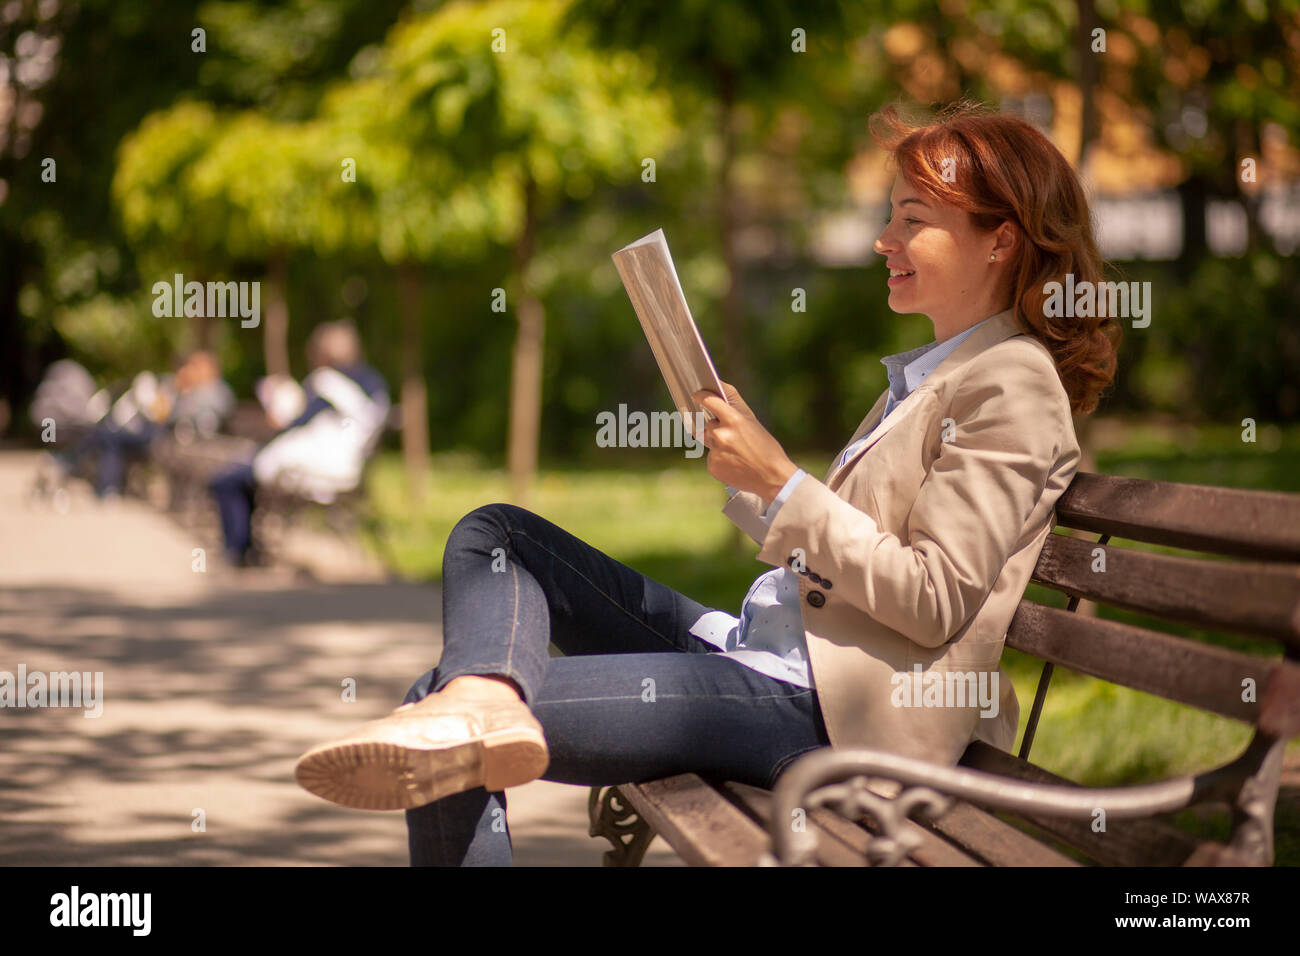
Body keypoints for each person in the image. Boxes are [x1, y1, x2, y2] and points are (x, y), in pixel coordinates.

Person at [294, 102, 1121, 866]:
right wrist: (762, 483)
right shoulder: (936, 375)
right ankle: (486, 695)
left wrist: (784, 483)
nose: (883, 240)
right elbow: (851, 544)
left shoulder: (1011, 383)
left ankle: (477, 703)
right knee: (495, 535)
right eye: (887, 217)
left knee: (438, 717)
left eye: (912, 220)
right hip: (766, 659)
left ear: (1002, 240)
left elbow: (935, 595)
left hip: (830, 717)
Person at [208, 321, 389, 567]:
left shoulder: (326, 382)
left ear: (323, 354)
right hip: (351, 470)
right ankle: (245, 548)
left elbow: (296, 425)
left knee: (229, 480)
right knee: (244, 474)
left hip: (313, 467)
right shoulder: (376, 383)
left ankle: (237, 552)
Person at [44, 351, 234, 499]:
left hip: (175, 440)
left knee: (109, 435)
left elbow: (179, 417)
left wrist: (175, 401)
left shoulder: (214, 392)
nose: (190, 371)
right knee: (110, 438)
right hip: (169, 437)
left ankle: (73, 463)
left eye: (195, 366)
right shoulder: (190, 390)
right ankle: (105, 487)